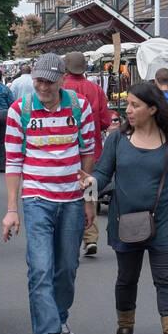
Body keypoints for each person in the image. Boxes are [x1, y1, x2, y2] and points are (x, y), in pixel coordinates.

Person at [80, 81, 168, 334]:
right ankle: (124, 328)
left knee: (166, 281)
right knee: (126, 279)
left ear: (153, 109)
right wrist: (89, 182)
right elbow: (102, 173)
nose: (128, 110)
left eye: (135, 105)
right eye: (128, 105)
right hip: (125, 222)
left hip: (165, 222)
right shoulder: (117, 139)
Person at [1, 52, 96, 334]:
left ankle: (59, 316)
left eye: (48, 81)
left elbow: (87, 152)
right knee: (40, 268)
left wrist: (89, 199)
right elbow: (13, 162)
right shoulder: (20, 111)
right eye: (37, 80)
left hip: (71, 199)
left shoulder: (79, 107)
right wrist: (11, 209)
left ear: (62, 79)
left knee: (67, 267)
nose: (41, 86)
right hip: (36, 199)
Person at [62, 52, 114, 258]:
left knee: (68, 196)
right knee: (88, 191)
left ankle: (72, 238)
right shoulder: (96, 89)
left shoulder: (61, 89)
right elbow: (105, 121)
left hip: (66, 151)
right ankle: (91, 237)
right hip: (92, 150)